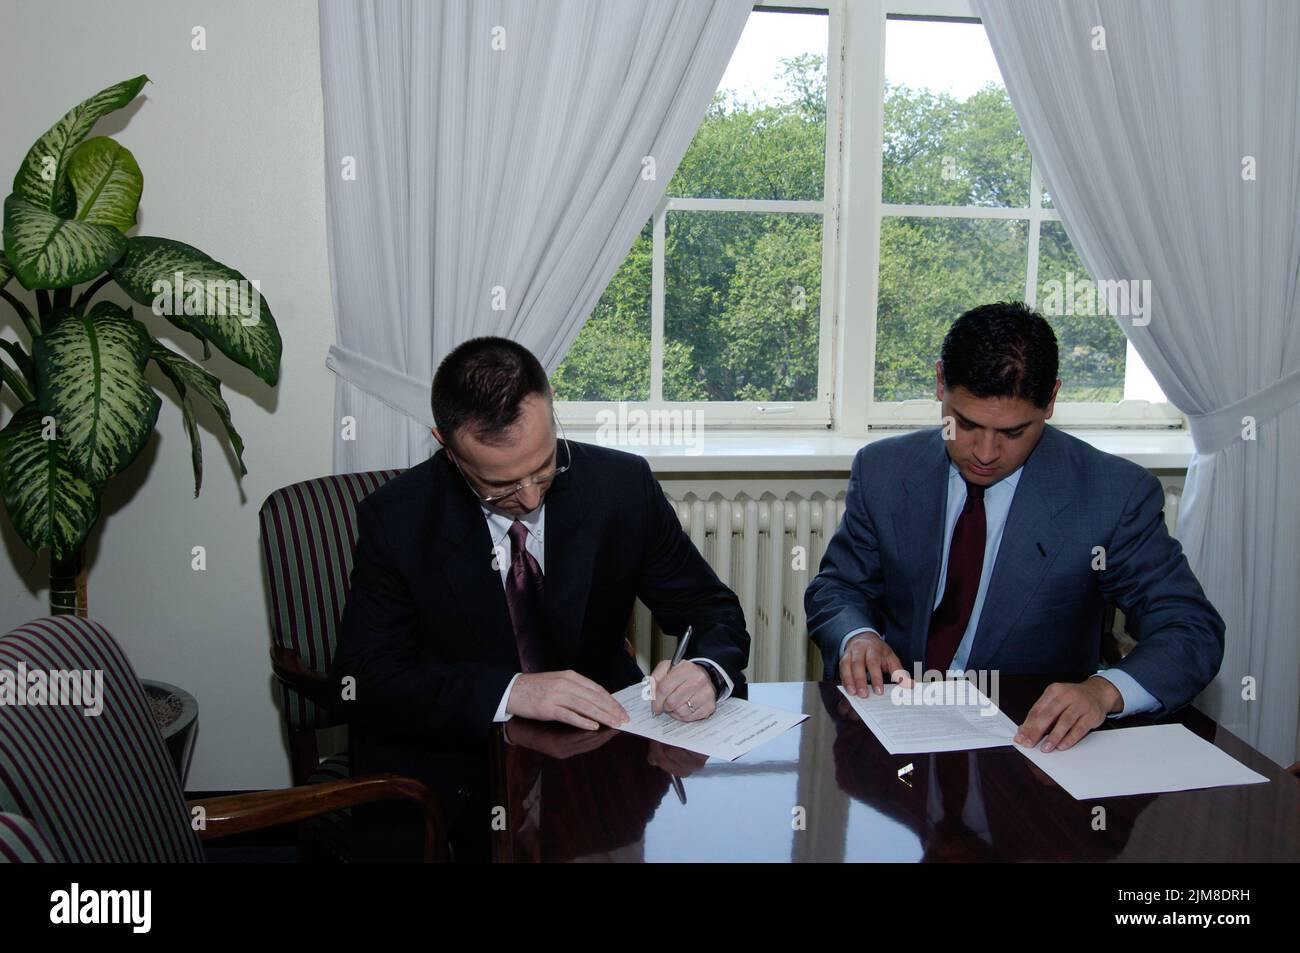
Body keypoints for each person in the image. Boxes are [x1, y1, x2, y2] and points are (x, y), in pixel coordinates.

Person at [330, 336, 749, 858]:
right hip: (462, 771)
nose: (530, 498)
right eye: (499, 487)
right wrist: (510, 692)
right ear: (445, 443)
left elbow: (713, 611)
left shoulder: (620, 487)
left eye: (544, 466)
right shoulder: (398, 521)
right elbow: (364, 678)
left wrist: (706, 669)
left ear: (551, 404)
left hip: (603, 754)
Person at [805, 302, 1224, 754]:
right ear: (940, 382)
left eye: (1013, 432)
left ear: (1051, 401)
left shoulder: (1112, 495)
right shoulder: (885, 469)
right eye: (965, 424)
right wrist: (858, 636)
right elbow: (838, 588)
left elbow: (1190, 629)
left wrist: (1103, 692)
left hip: (1029, 739)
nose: (985, 452)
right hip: (897, 726)